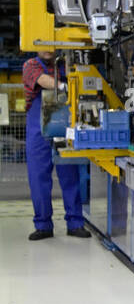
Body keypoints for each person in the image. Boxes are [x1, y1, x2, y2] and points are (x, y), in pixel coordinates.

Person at [22, 51, 89, 242]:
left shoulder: (65, 65)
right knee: (38, 178)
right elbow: (43, 80)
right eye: (43, 43)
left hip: (63, 128)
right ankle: (43, 225)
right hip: (38, 130)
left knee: (71, 176)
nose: (48, 49)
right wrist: (63, 85)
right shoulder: (30, 65)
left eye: (52, 43)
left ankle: (75, 223)